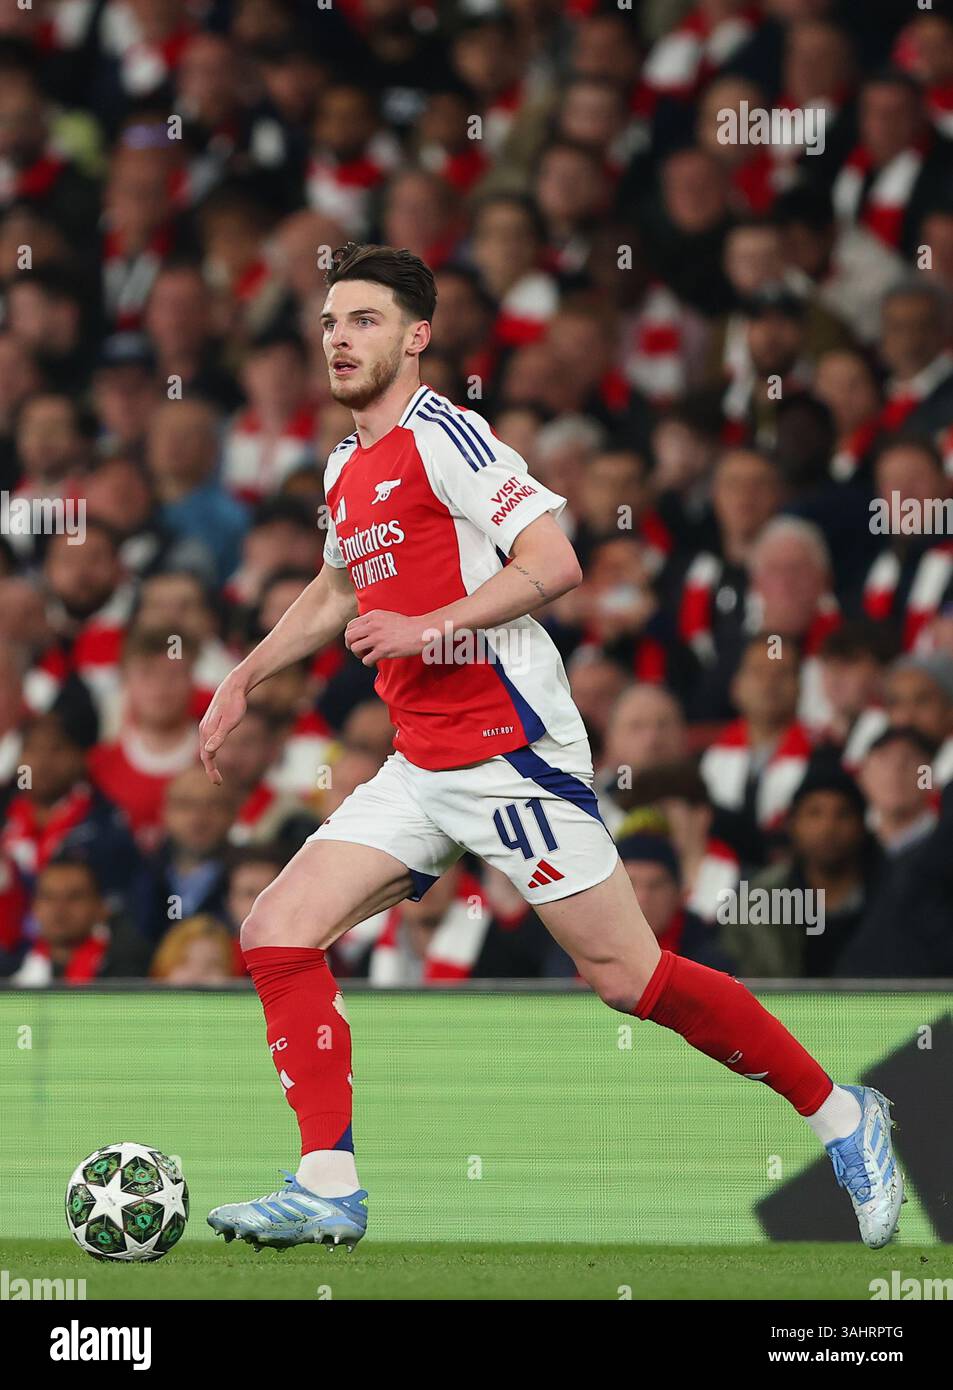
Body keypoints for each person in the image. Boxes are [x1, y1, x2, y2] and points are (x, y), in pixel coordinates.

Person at [198, 243, 902, 1253]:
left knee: (628, 975)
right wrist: (243, 676)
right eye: (328, 320)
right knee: (274, 929)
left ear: (415, 335)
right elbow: (340, 586)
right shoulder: (347, 463)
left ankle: (843, 1115)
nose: (339, 338)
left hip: (506, 750)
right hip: (419, 760)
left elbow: (554, 560)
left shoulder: (447, 435)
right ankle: (326, 1182)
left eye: (362, 320)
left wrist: (434, 625)